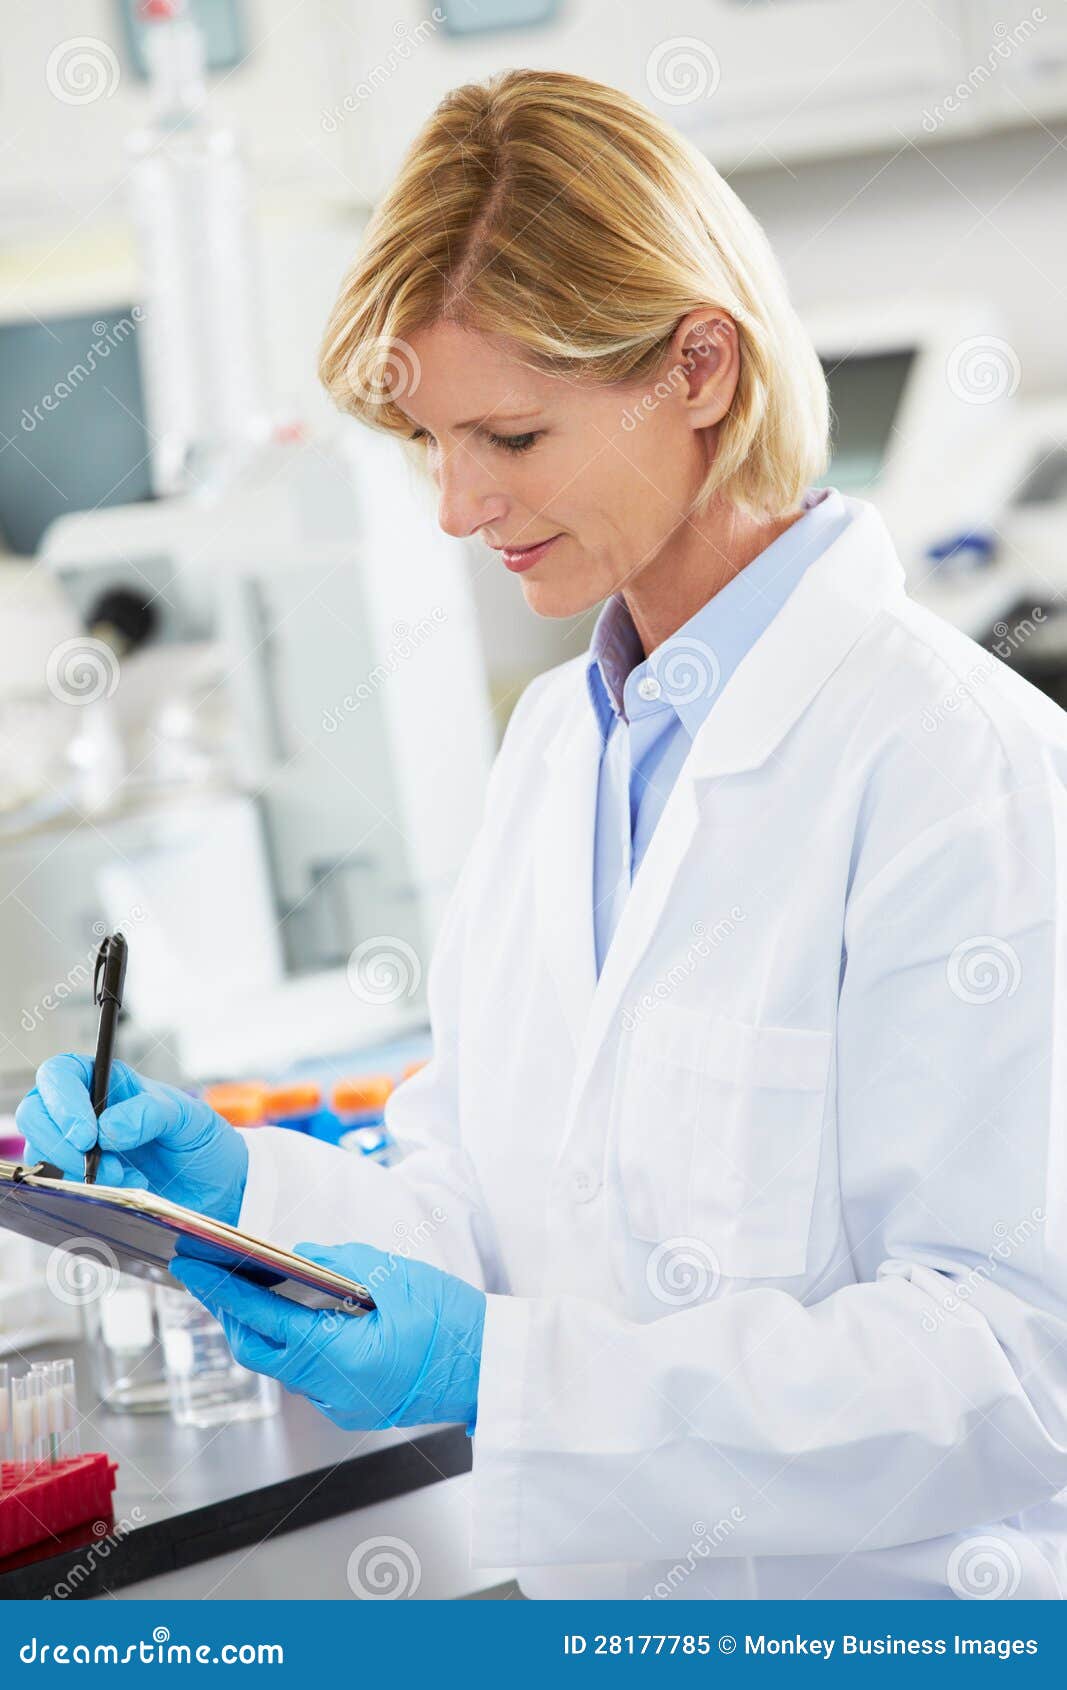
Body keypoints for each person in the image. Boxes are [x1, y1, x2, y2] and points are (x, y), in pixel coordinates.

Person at [19, 70, 1067, 1601]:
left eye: (510, 433)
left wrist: (505, 1371)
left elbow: (1009, 1366)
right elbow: (499, 1199)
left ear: (700, 367)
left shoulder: (965, 772)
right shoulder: (563, 748)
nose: (456, 505)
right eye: (433, 441)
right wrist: (246, 1195)